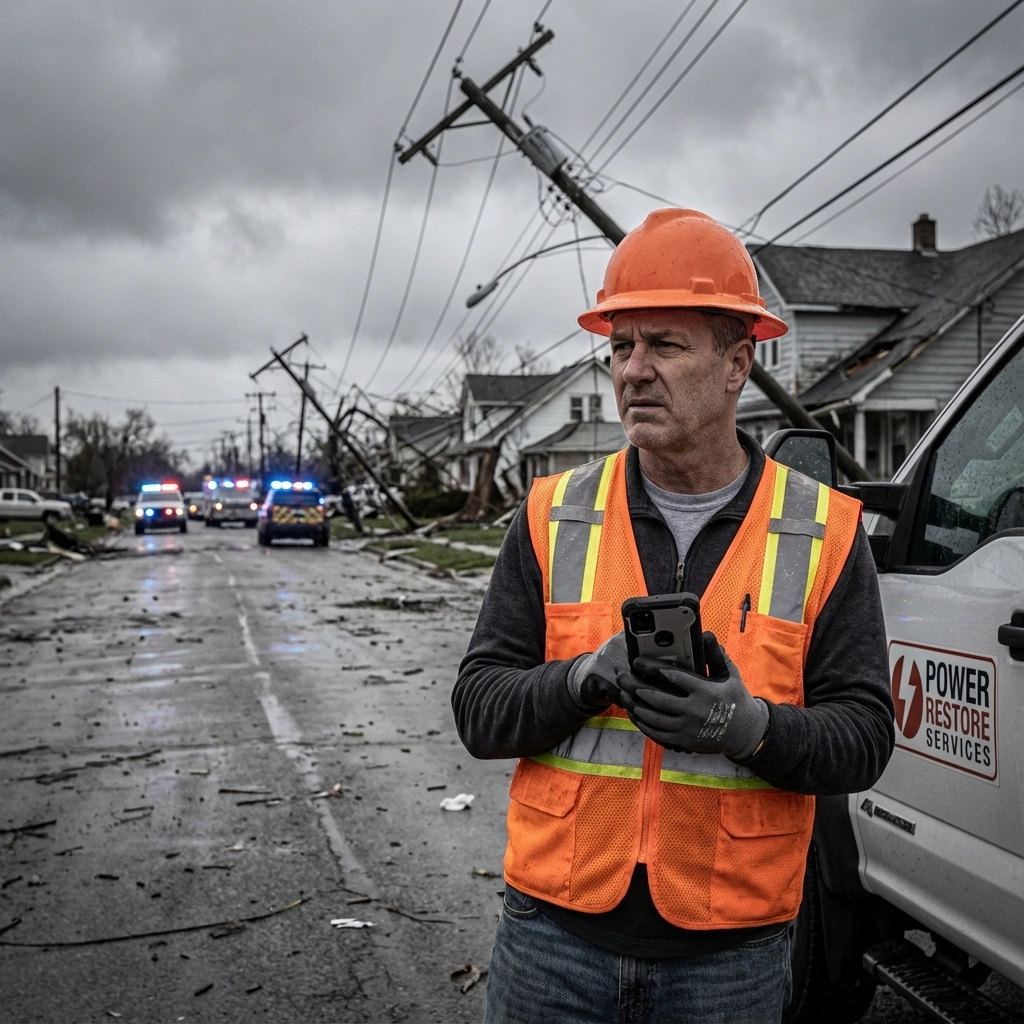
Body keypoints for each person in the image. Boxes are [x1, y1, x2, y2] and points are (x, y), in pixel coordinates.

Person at [452, 208, 894, 1024]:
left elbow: (864, 739)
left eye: (664, 345)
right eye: (621, 347)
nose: (633, 371)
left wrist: (746, 726)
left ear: (737, 364)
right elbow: (479, 710)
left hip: (730, 956)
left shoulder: (824, 531)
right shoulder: (552, 515)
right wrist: (586, 678)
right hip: (552, 939)